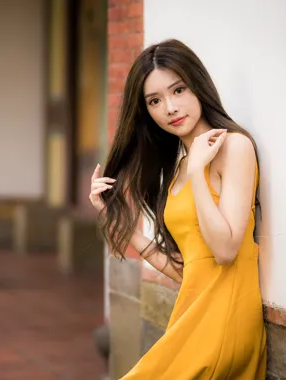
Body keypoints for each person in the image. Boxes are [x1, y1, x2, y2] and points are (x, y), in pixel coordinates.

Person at [89, 39, 266, 379]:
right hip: (191, 315)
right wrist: (113, 219)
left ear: (198, 86)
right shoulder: (182, 169)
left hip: (224, 321)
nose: (170, 107)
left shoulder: (234, 147)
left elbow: (226, 250)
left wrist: (199, 171)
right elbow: (186, 269)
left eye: (179, 90)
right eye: (155, 100)